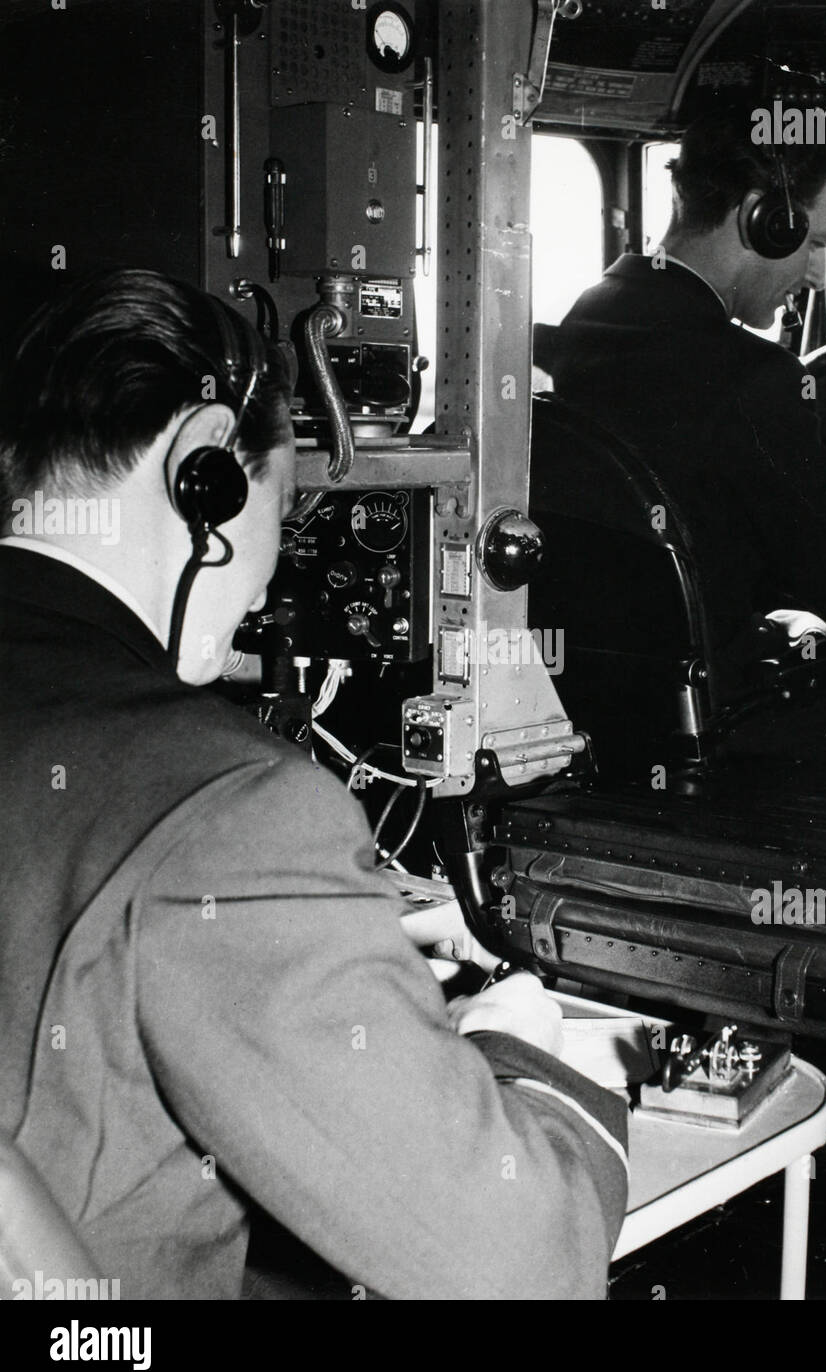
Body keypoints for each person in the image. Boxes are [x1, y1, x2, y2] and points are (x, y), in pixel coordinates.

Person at [0, 268, 628, 1300]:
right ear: (205, 470)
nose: (264, 581)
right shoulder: (228, 806)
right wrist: (530, 1053)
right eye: (281, 508)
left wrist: (322, 936)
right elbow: (520, 1271)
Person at [549, 104, 826, 705]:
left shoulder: (584, 321)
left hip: (600, 687)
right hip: (714, 707)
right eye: (814, 243)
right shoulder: (754, 378)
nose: (818, 274)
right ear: (764, 219)